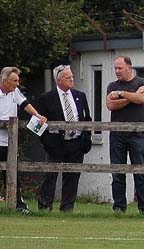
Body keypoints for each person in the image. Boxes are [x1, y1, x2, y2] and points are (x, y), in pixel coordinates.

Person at [34, 65, 91, 213]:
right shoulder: (46, 98)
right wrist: (47, 141)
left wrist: (87, 139)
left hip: (76, 143)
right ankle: (45, 207)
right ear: (58, 80)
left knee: (72, 176)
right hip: (55, 144)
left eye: (72, 76)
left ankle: (67, 209)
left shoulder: (80, 96)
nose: (72, 79)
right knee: (50, 175)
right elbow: (36, 125)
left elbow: (87, 119)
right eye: (68, 77)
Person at [106, 56, 144, 216]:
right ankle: (119, 208)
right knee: (117, 173)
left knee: (141, 173)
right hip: (117, 135)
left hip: (137, 135)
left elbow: (143, 98)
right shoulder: (112, 85)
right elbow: (110, 105)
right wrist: (132, 97)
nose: (117, 71)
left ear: (129, 67)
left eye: (120, 68)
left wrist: (121, 94)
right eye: (115, 68)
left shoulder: (142, 82)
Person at [0, 66, 47, 213]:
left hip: (10, 143)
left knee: (12, 174)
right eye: (14, 81)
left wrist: (37, 115)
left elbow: (25, 104)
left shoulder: (15, 92)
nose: (17, 84)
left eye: (18, 80)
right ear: (5, 81)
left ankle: (18, 205)